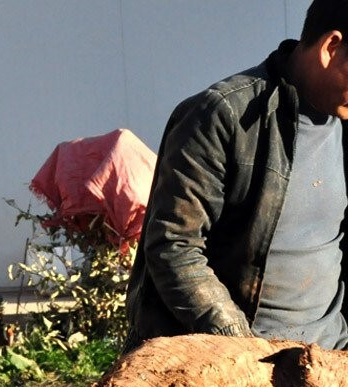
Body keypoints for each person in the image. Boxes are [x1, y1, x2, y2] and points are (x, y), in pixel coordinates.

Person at [126, 0, 348, 362]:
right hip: (228, 377)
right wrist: (241, 355)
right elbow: (174, 245)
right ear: (331, 48)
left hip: (331, 372)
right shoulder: (222, 116)